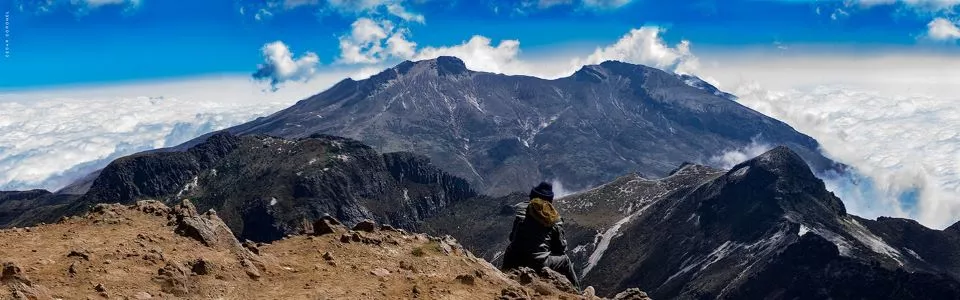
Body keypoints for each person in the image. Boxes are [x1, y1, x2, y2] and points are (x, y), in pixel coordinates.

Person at [501, 182, 581, 291]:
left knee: (511, 248)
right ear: (549, 201)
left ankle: (502, 276)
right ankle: (577, 292)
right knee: (565, 260)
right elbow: (561, 248)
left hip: (514, 259)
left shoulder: (521, 212)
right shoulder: (553, 218)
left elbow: (512, 238)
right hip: (538, 264)